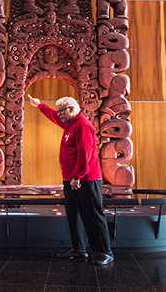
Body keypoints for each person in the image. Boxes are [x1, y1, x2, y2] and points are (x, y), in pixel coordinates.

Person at [27, 95, 114, 265]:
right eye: (59, 112)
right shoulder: (69, 123)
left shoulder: (82, 126)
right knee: (74, 215)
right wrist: (39, 105)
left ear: (72, 110)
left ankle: (105, 251)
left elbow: (85, 154)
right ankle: (79, 249)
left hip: (85, 180)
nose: (59, 115)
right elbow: (53, 115)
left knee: (93, 215)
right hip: (71, 179)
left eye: (62, 112)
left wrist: (77, 176)